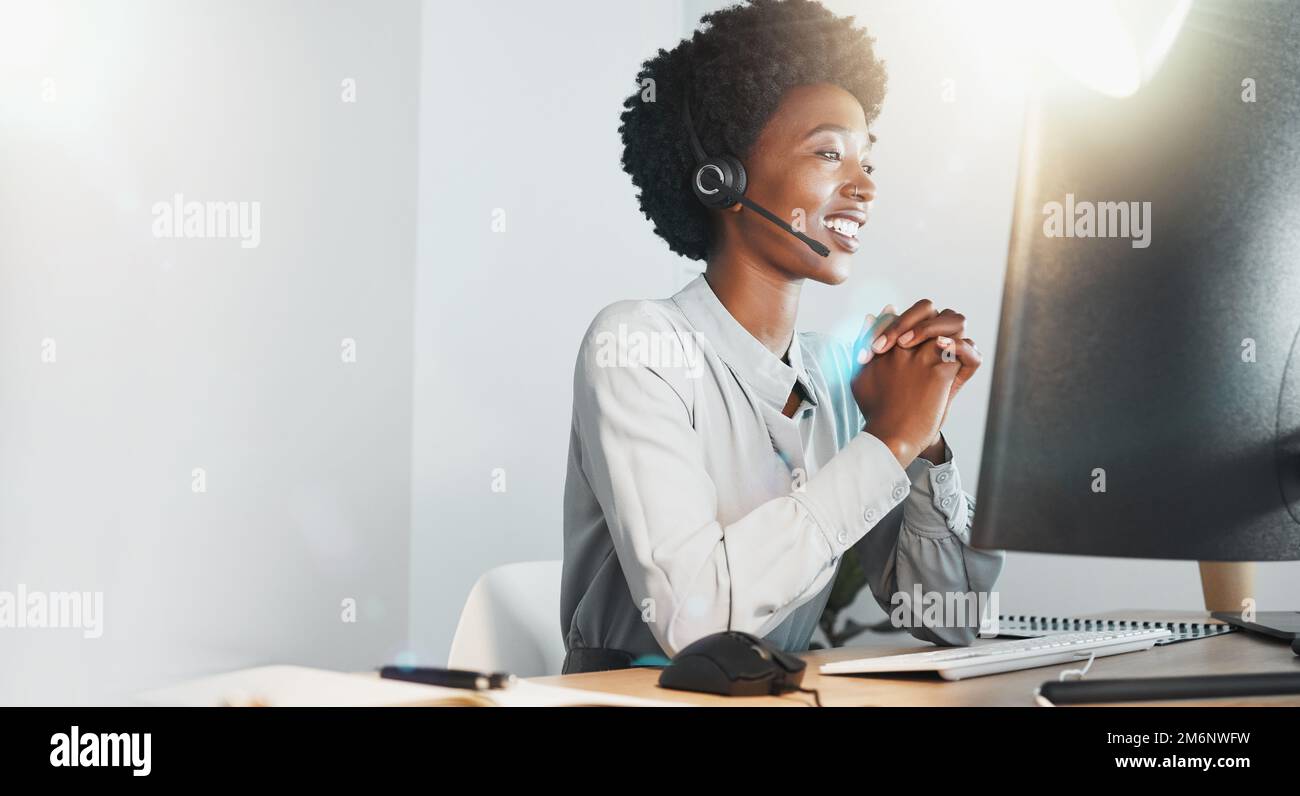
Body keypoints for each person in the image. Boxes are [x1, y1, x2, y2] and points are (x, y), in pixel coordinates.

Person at [559, 0, 1004, 674]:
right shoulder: (637, 346)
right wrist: (891, 441)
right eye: (829, 153)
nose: (863, 188)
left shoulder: (834, 374)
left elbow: (958, 622)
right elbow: (696, 621)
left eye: (868, 163)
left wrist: (924, 441)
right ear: (724, 180)